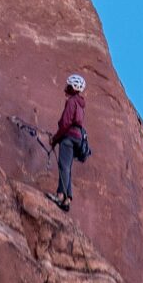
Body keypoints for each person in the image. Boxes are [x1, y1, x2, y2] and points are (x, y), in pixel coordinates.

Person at [47, 72, 87, 212]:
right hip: (77, 138)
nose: (66, 87)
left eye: (68, 85)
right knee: (68, 167)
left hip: (68, 137)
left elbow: (65, 123)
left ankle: (60, 195)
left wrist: (55, 138)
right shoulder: (81, 105)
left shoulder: (71, 102)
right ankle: (67, 199)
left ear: (73, 87)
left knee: (63, 166)